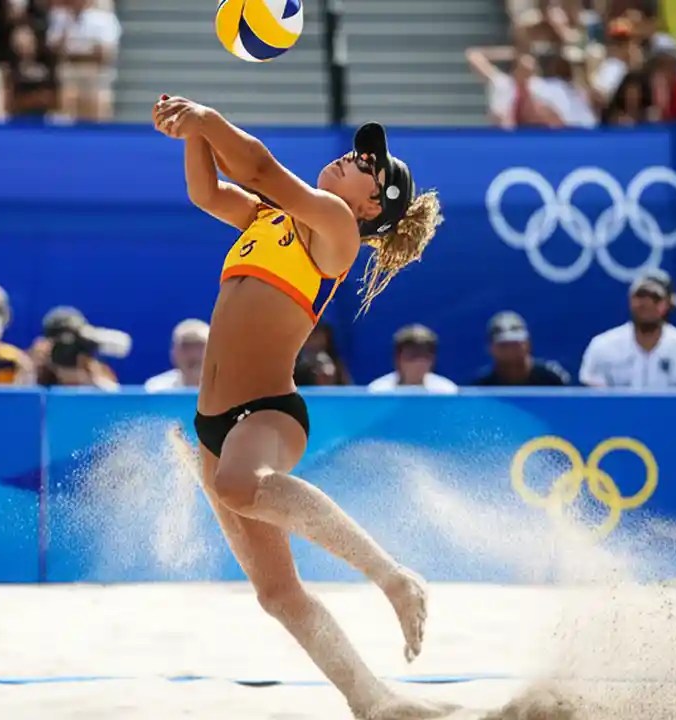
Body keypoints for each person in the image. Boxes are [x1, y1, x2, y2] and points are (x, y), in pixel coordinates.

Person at [152, 95, 456, 720]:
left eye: (369, 167)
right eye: (361, 154)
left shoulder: (337, 229)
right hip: (213, 424)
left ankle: (393, 577)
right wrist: (190, 133)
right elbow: (207, 193)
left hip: (268, 411)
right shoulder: (272, 219)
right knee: (276, 593)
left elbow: (259, 167)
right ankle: (371, 700)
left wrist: (206, 118)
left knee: (239, 486)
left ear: (371, 208)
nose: (355, 158)